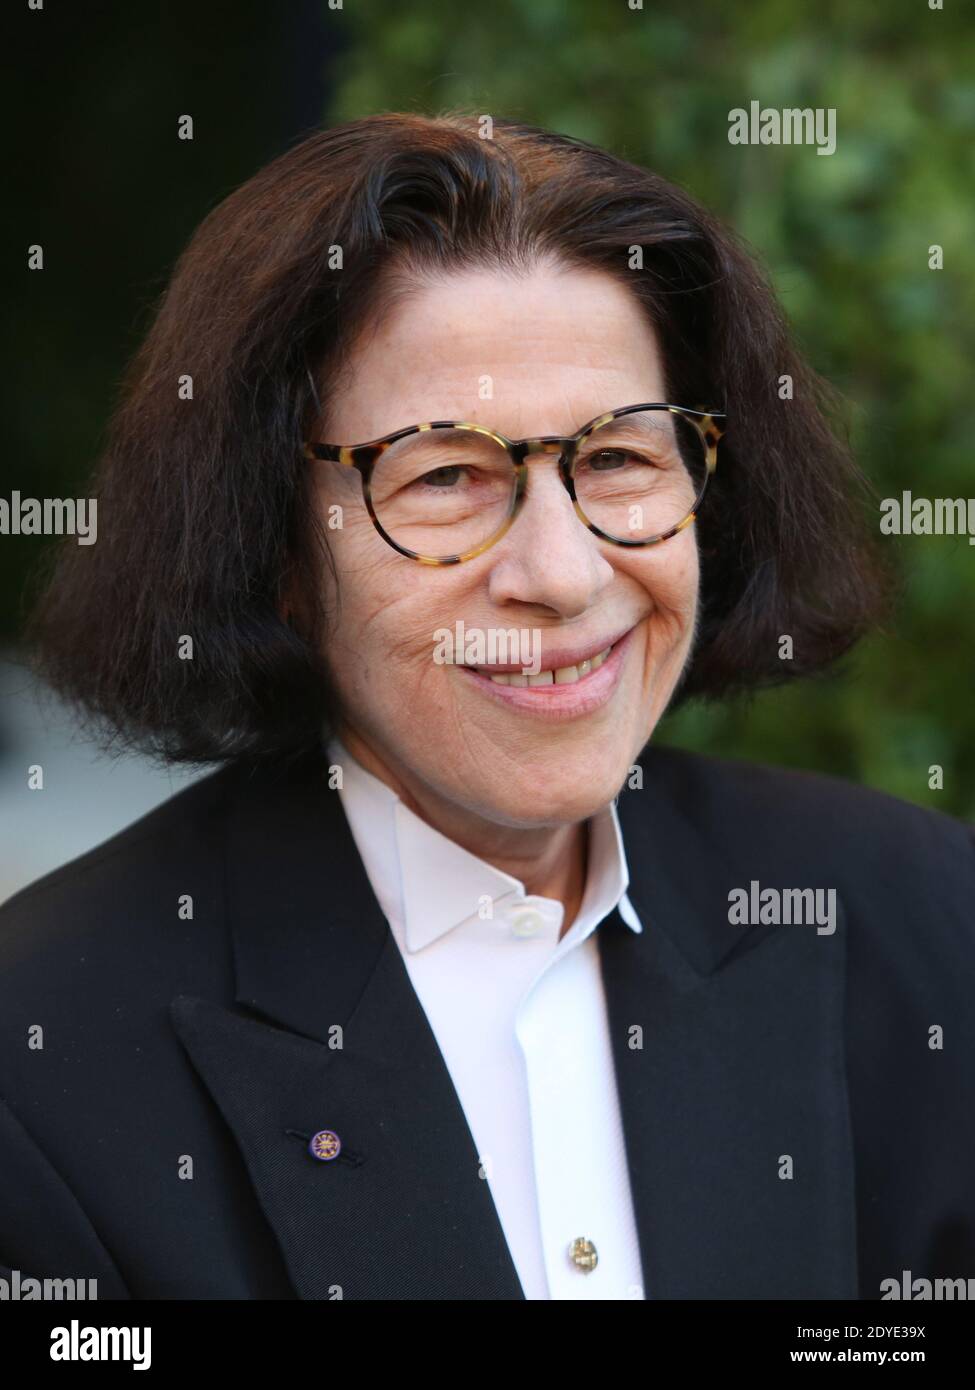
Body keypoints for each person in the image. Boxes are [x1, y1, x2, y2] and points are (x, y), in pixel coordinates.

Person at [1, 111, 972, 1302]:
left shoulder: (923, 921)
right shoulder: (40, 1063)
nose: (563, 575)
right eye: (448, 476)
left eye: (621, 456)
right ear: (276, 550)